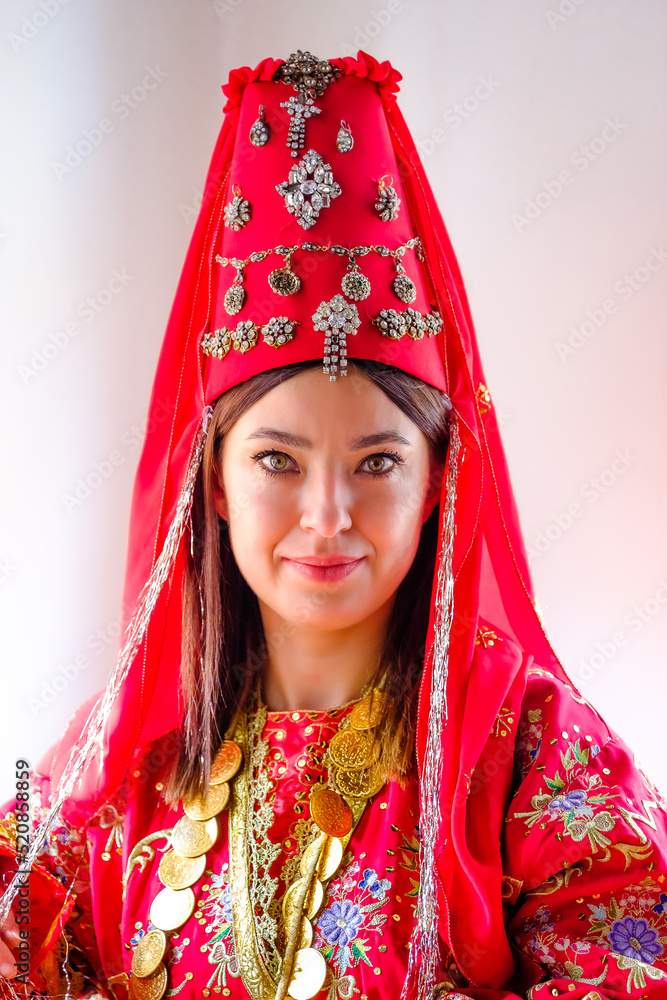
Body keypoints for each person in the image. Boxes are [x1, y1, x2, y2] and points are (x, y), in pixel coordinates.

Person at [1, 49, 667, 1000]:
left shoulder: (533, 751)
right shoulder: (118, 758)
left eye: (377, 463)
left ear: (438, 481)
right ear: (215, 484)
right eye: (277, 461)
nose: (325, 516)